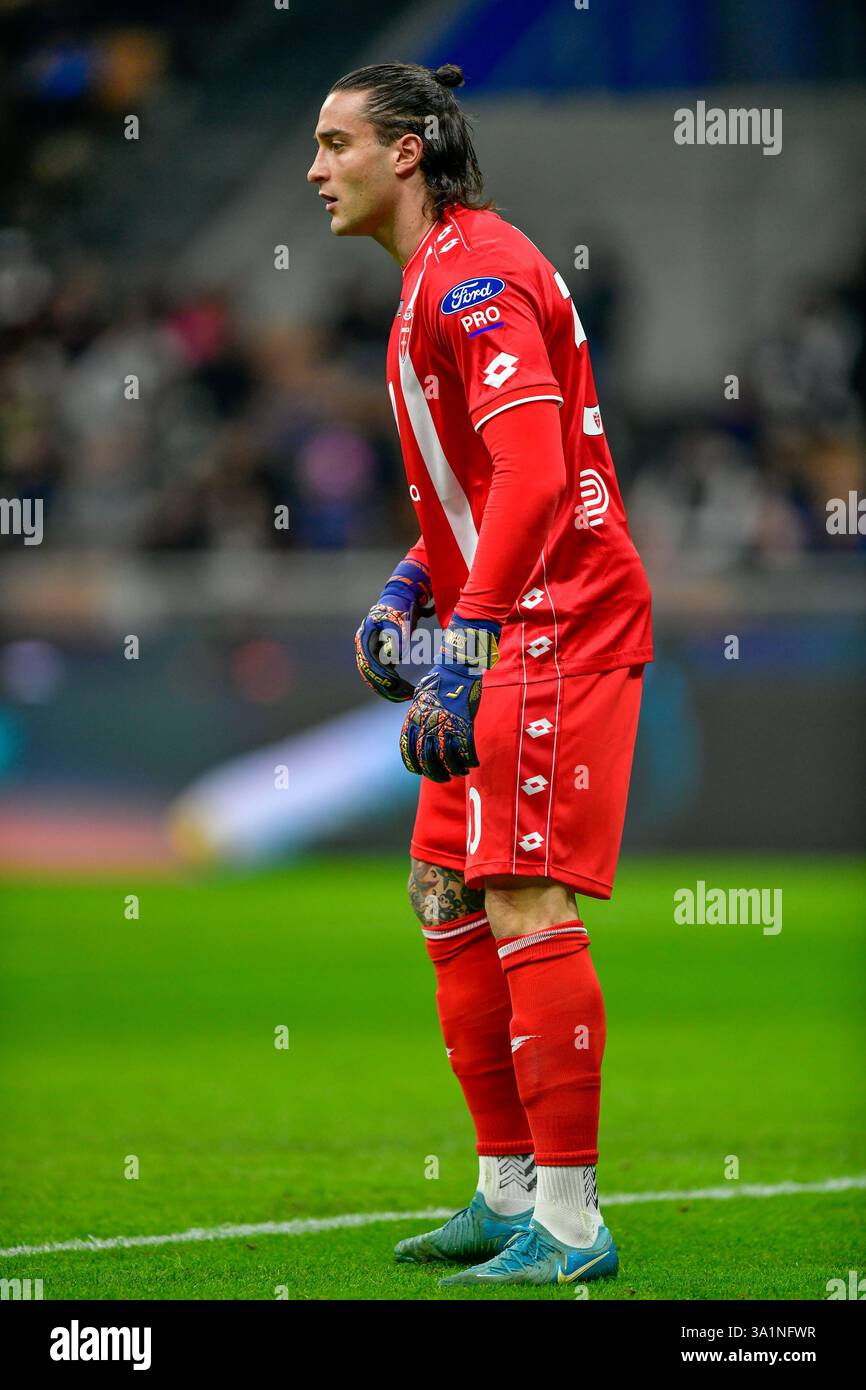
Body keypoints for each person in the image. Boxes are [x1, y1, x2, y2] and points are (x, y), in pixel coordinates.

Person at [307, 61, 652, 1287]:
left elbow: (540, 477)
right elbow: (483, 484)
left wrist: (464, 639)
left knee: (518, 896)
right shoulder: (434, 277)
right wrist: (414, 583)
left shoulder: (474, 277)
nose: (314, 169)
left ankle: (568, 1224)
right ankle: (505, 1188)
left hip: (555, 620)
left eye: (336, 142)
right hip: (504, 617)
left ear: (404, 152)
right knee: (441, 889)